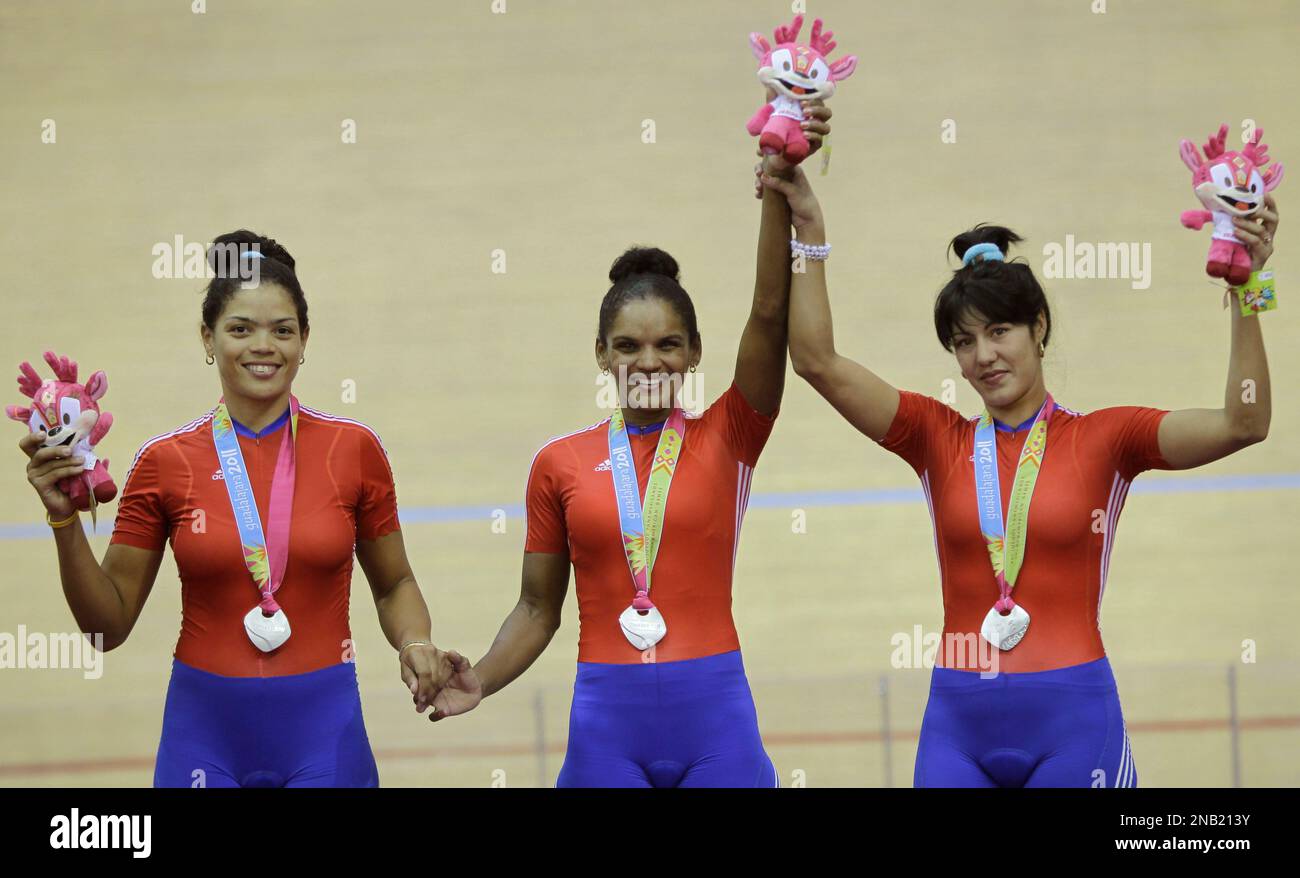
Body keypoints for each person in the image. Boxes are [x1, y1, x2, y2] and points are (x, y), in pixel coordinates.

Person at [759, 165, 1276, 787]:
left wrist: (1250, 288)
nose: (983, 356)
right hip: (958, 727)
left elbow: (1244, 422)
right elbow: (815, 361)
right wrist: (809, 230)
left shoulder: (1107, 439)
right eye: (964, 341)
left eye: (999, 332)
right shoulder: (934, 438)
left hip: (1072, 723)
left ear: (1038, 328)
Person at [422, 108, 835, 788]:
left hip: (717, 730)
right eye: (628, 345)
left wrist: (776, 183)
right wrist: (482, 680)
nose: (648, 360)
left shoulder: (732, 433)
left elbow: (768, 313)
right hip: (605, 735)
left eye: (668, 344)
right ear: (601, 354)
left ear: (695, 352)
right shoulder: (558, 464)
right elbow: (537, 609)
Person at [19, 231, 462, 787]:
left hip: (324, 735)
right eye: (240, 329)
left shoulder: (353, 449)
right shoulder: (164, 461)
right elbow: (106, 628)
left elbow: (394, 583)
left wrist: (415, 642)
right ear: (208, 337)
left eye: (283, 330)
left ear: (304, 340)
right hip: (203, 737)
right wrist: (63, 519)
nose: (263, 346)